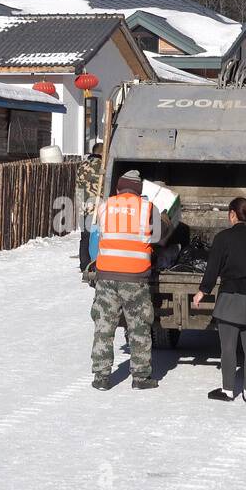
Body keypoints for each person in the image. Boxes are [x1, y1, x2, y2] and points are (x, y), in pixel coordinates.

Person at [90, 170, 170, 391]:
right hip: (134, 278)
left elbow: (97, 234)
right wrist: (164, 218)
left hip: (106, 276)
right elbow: (161, 238)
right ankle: (141, 377)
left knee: (104, 327)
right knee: (139, 327)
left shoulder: (105, 206)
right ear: (139, 192)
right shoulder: (147, 208)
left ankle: (101, 377)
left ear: (118, 188)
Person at [193, 198, 246, 403]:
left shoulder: (223, 238)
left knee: (228, 347)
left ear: (233, 214)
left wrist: (203, 291)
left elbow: (213, 269)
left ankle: (228, 391)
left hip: (230, 301)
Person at [75, 142, 104, 271]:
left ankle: (83, 264)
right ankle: (94, 262)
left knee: (84, 236)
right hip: (95, 206)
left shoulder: (82, 165)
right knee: (96, 236)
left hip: (82, 205)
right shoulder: (101, 166)